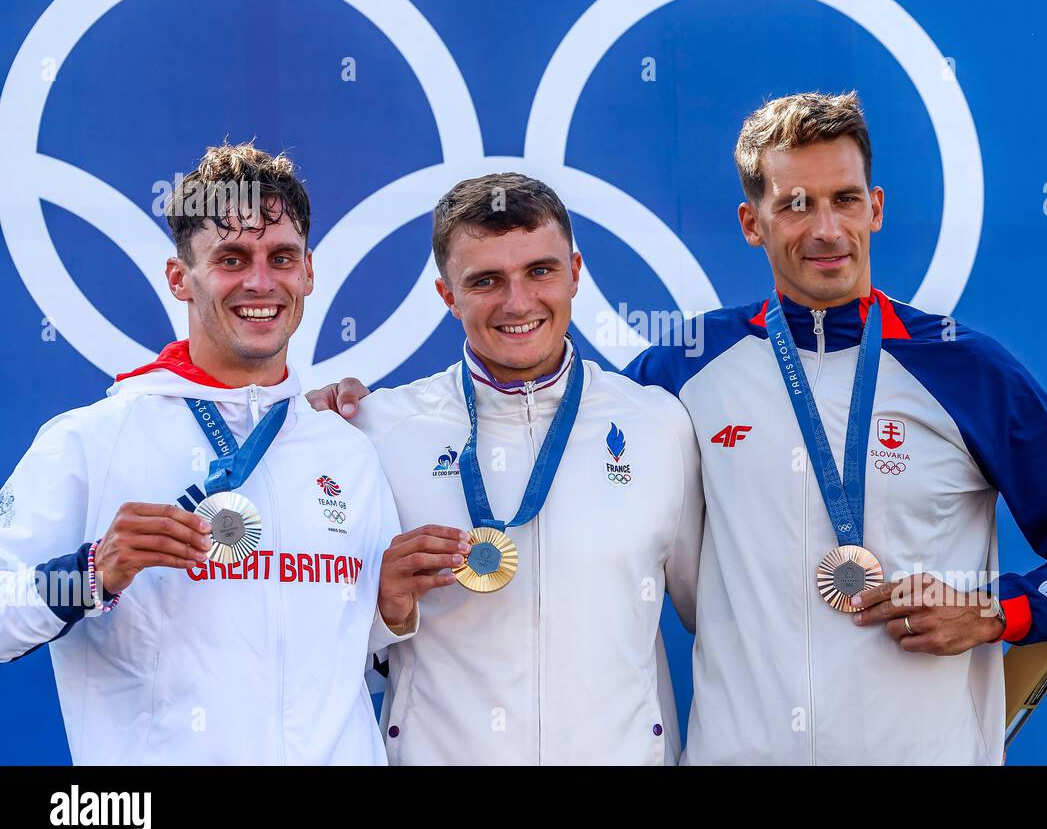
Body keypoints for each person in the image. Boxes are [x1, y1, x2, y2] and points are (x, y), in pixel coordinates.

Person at [623, 91, 1047, 765]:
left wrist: (994, 613)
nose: (825, 230)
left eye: (844, 200)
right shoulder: (680, 370)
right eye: (795, 204)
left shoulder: (963, 367)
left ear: (874, 208)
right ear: (751, 222)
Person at [0, 142, 436, 764]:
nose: (260, 282)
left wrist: (389, 610)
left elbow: (339, 659)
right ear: (181, 278)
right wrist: (92, 573)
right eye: (232, 259)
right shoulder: (91, 441)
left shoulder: (347, 451)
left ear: (308, 272)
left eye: (280, 257)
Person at [309, 173, 703, 765]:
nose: (517, 303)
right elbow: (311, 639)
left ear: (575, 270)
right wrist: (382, 606)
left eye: (539, 271)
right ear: (448, 295)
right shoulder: (377, 430)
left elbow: (718, 616)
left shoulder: (658, 426)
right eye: (486, 281)